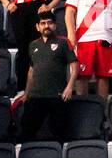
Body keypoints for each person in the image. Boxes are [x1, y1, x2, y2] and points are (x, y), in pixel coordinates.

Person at [20, 12, 76, 142]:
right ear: (37, 27)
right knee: (26, 133)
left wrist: (70, 87)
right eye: (43, 23)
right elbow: (31, 71)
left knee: (60, 135)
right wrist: (27, 93)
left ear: (55, 25)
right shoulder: (33, 45)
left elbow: (75, 66)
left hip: (57, 95)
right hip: (36, 96)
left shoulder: (63, 43)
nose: (47, 26)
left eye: (50, 23)